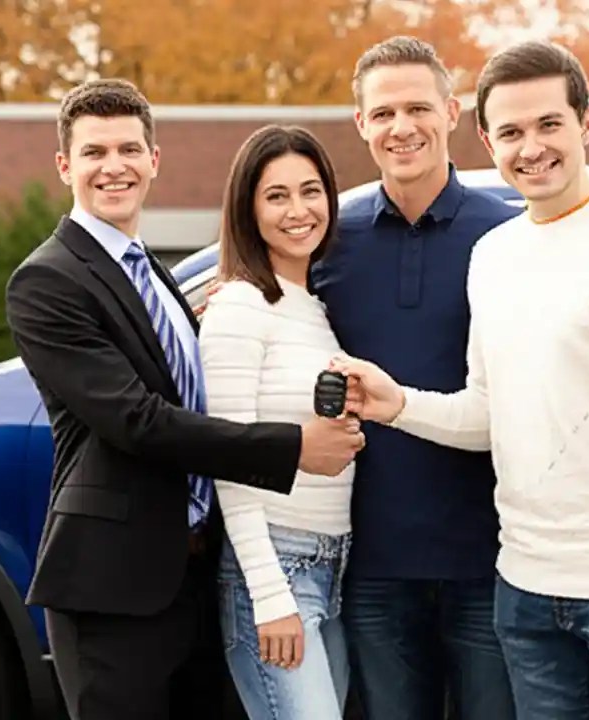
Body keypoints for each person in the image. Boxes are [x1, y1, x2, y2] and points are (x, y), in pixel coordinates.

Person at [333, 40, 589, 720]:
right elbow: (490, 415)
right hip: (523, 590)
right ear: (487, 140)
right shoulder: (495, 255)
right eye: (512, 132)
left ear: (587, 123)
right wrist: (398, 405)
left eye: (549, 124)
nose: (532, 147)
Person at [4, 79, 364, 720]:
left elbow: (186, 383)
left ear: (153, 160)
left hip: (192, 574)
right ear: (64, 165)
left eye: (128, 150)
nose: (113, 167)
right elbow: (136, 420)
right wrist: (292, 448)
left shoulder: (151, 272)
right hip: (112, 584)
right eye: (93, 153)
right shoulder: (46, 280)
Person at [310, 35, 521, 720]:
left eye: (418, 108)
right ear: (361, 124)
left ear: (452, 112)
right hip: (372, 562)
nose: (401, 127)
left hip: (490, 558)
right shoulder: (328, 241)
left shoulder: (509, 238)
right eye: (383, 113)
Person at [197, 124, 356, 720]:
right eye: (276, 196)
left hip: (333, 562)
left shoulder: (313, 307)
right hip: (277, 568)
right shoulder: (239, 306)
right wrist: (269, 595)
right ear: (248, 210)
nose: (298, 211)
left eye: (311, 191)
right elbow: (230, 459)